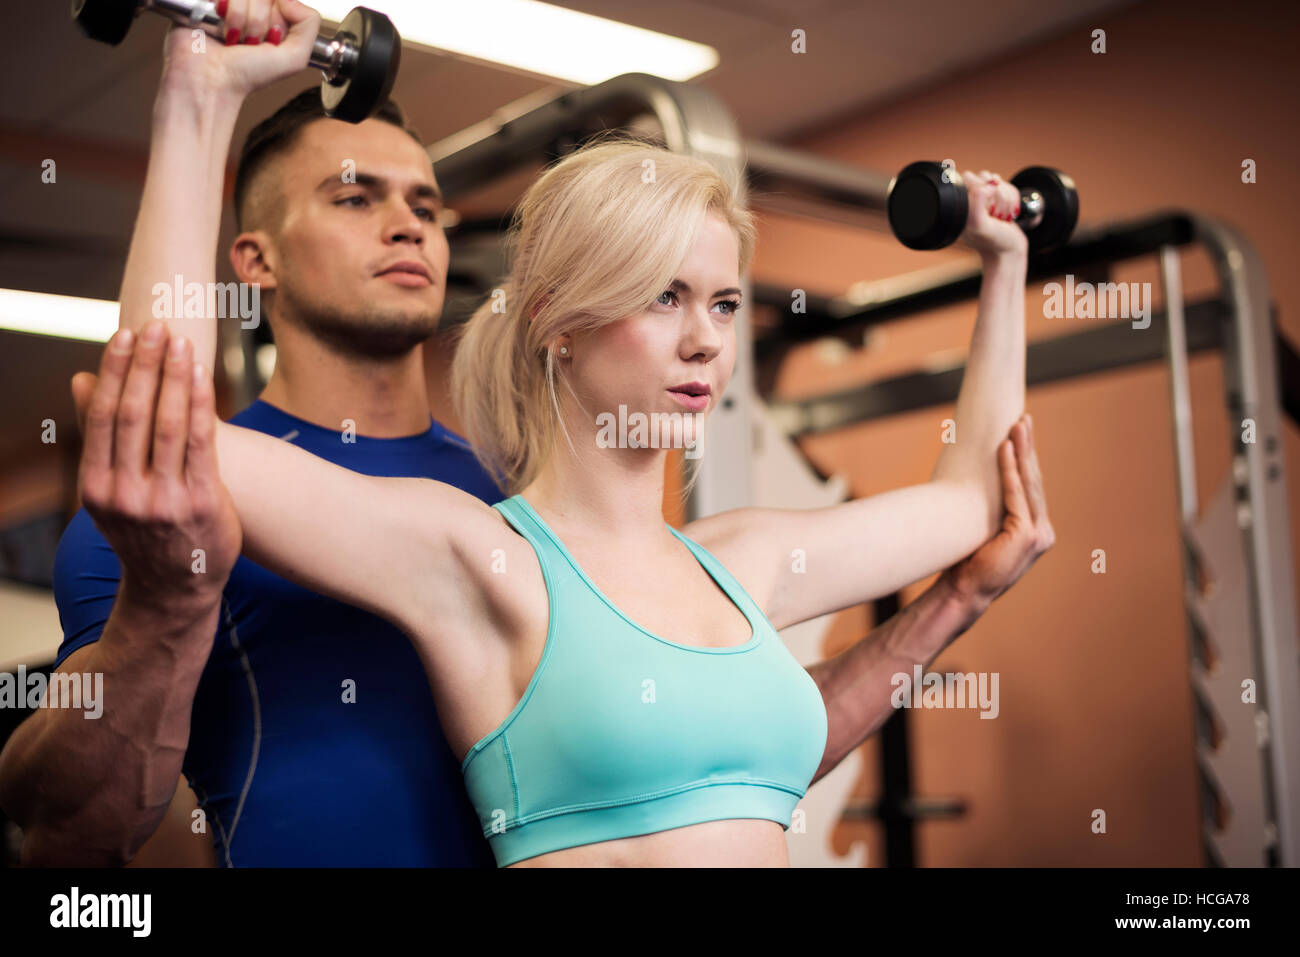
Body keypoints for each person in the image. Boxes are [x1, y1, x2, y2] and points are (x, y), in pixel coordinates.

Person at [0, 0, 1051, 868]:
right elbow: (167, 423)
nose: (705, 344)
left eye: (726, 305)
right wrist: (199, 95)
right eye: (660, 297)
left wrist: (1003, 265)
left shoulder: (745, 560)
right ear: (553, 320)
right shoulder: (479, 554)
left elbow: (969, 503)